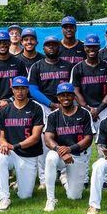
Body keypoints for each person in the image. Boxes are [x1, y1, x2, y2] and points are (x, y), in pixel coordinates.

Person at [27, 35, 74, 184]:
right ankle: (44, 177)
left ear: (59, 47)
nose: (51, 47)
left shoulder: (68, 66)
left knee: (67, 137)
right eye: (48, 45)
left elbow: (73, 88)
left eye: (54, 44)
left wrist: (64, 103)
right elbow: (32, 89)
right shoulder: (37, 66)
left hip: (66, 106)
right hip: (45, 107)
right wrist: (50, 104)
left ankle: (66, 173)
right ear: (44, 48)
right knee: (44, 142)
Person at [0, 76, 45, 211]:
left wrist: (14, 146)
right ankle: (4, 197)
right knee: (0, 157)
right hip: (11, 153)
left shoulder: (36, 108)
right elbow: (2, 137)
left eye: (23, 88)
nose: (20, 91)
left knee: (25, 196)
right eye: (17, 88)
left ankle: (20, 182)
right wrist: (4, 144)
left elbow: (35, 137)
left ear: (27, 90)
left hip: (29, 155)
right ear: (12, 90)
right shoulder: (5, 110)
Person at [42, 83, 94, 212]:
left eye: (69, 95)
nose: (65, 98)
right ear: (58, 97)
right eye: (62, 95)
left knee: (74, 197)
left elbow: (88, 139)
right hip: (59, 154)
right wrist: (61, 151)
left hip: (77, 155)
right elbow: (48, 139)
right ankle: (50, 199)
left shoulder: (84, 113)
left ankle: (64, 179)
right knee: (50, 158)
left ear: (74, 96)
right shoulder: (53, 115)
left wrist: (70, 149)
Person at [71, 34, 107, 123]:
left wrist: (99, 109)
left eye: (94, 46)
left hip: (104, 109)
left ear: (99, 47)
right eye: (89, 46)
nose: (91, 49)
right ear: (84, 48)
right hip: (84, 109)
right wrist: (88, 108)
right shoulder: (77, 68)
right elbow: (75, 91)